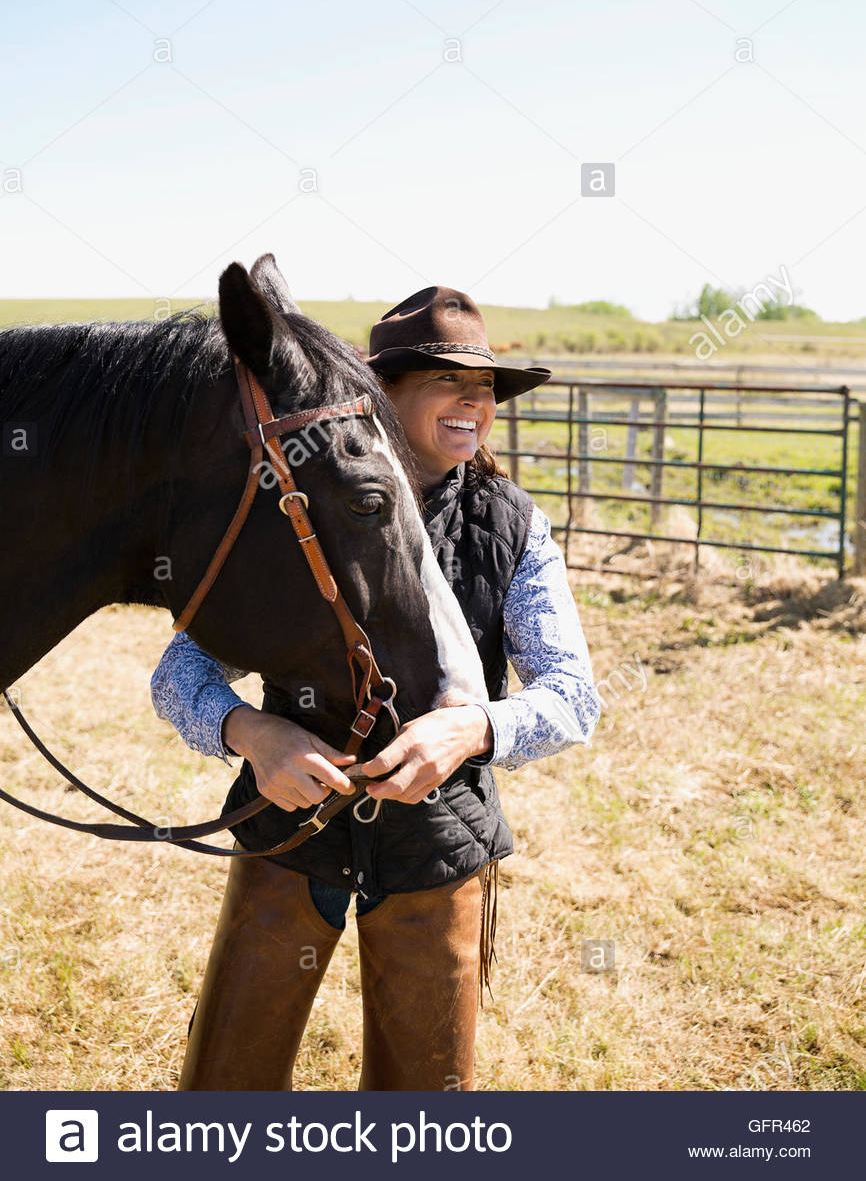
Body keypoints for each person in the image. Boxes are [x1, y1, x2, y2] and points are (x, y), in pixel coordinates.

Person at [151, 285, 600, 1091]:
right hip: (289, 836)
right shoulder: (291, 506)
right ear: (381, 397)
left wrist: (474, 731)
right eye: (446, 382)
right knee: (226, 1086)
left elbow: (572, 695)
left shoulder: (515, 526)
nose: (474, 401)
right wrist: (252, 734)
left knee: (421, 1108)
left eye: (486, 387)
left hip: (438, 844)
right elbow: (181, 670)